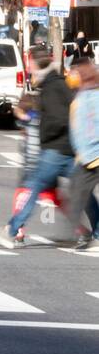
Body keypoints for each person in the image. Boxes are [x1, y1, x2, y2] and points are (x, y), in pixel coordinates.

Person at [0, 48, 75, 249]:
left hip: (55, 150)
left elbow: (59, 119)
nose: (28, 67)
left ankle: (12, 231)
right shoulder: (57, 83)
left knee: (33, 190)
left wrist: (45, 134)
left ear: (34, 63)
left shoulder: (51, 86)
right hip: (67, 149)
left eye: (29, 63)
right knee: (81, 191)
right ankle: (89, 232)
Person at [67, 60, 99, 251]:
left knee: (79, 195)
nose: (70, 77)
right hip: (87, 156)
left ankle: (88, 234)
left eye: (73, 73)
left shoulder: (88, 98)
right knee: (82, 195)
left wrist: (86, 154)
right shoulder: (82, 96)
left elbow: (86, 129)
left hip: (91, 156)